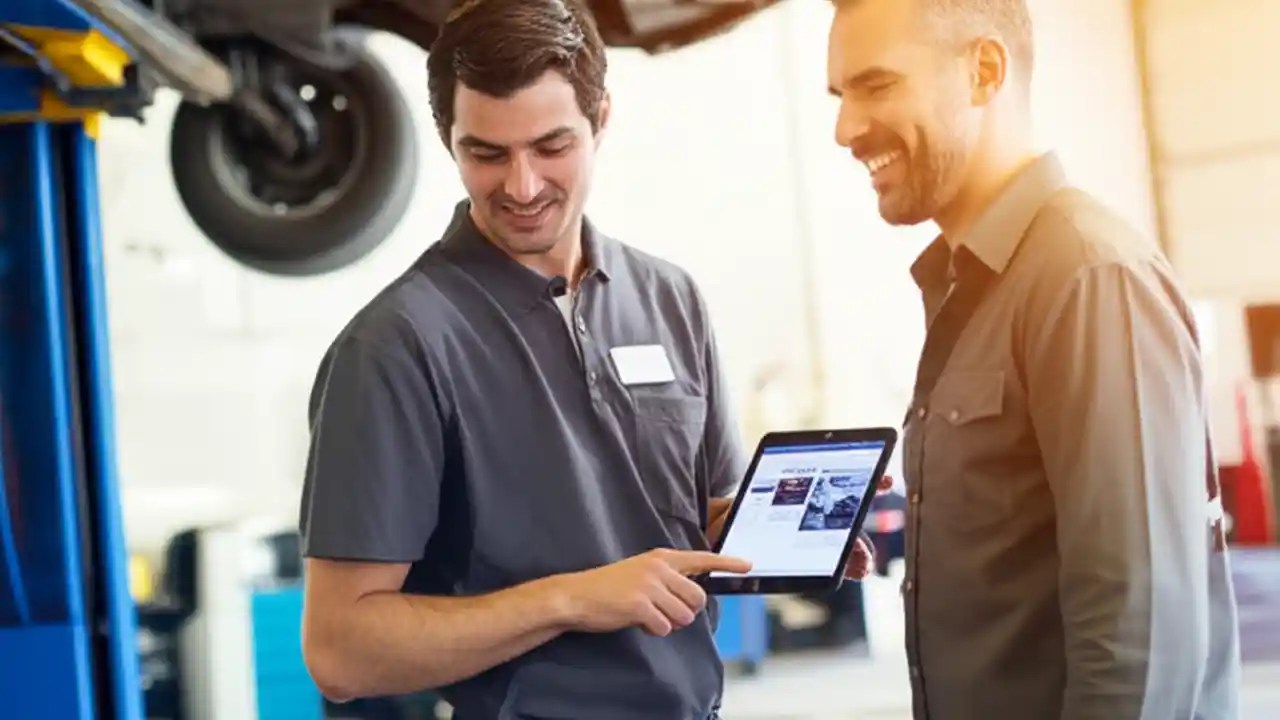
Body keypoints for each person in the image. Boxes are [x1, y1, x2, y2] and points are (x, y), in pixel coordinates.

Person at [297, 1, 878, 717]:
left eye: (551, 145)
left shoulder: (670, 298)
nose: (522, 186)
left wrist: (778, 535)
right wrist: (574, 598)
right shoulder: (395, 347)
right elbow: (340, 651)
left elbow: (693, 519)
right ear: (450, 139)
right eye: (486, 153)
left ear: (600, 118)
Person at [825, 0, 1241, 718]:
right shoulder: (971, 288)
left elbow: (1139, 643)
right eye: (841, 96)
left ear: (984, 70)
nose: (845, 130)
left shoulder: (1086, 275)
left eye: (877, 85)